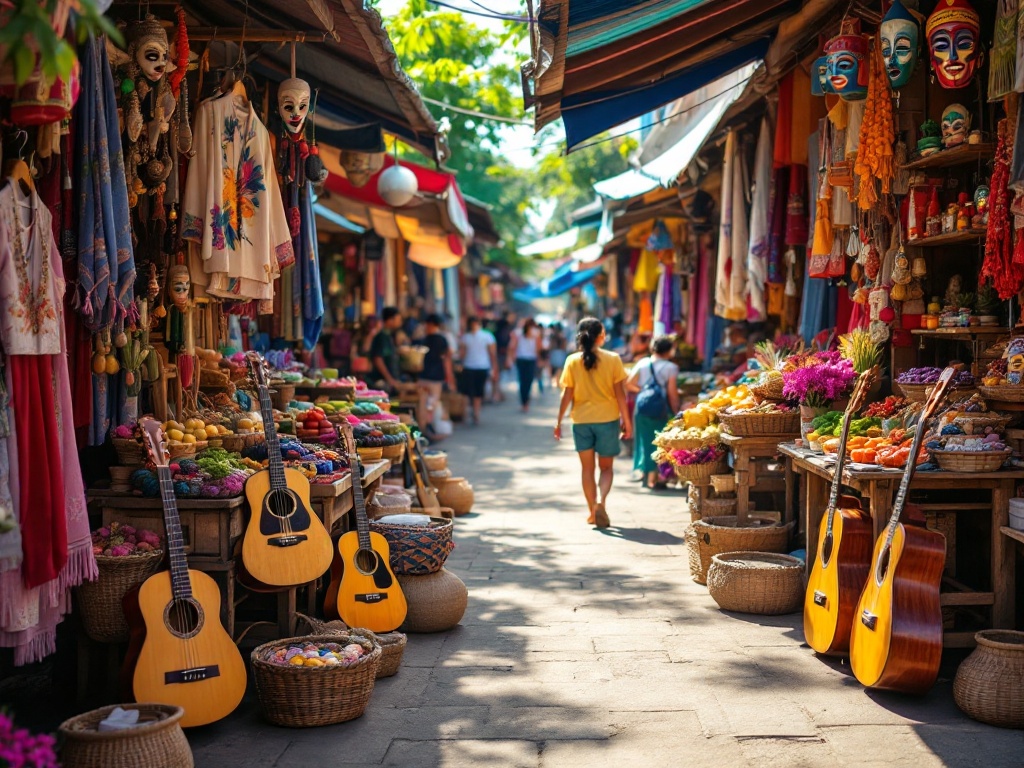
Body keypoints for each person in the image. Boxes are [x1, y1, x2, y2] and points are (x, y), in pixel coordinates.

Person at [554, 317, 632, 528]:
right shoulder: (613, 359)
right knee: (606, 469)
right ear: (601, 336)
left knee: (587, 469)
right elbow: (620, 395)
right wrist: (627, 420)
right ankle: (601, 502)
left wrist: (559, 421)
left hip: (581, 421)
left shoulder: (572, 361)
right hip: (607, 420)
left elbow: (566, 395)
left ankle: (591, 511)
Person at [625, 335, 681, 489]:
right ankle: (653, 479)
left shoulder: (643, 363)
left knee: (643, 441)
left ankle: (644, 473)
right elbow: (672, 392)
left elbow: (629, 384)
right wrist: (677, 410)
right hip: (659, 408)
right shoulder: (671, 367)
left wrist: (643, 390)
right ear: (669, 350)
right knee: (658, 442)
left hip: (641, 407)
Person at [418, 314, 456, 431]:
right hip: (435, 378)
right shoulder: (442, 340)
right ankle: (428, 427)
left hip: (424, 377)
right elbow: (447, 361)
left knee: (424, 404)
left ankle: (425, 428)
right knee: (431, 404)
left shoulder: (423, 340)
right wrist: (450, 378)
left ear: (431, 324)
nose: (425, 327)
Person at [459, 316, 498, 425]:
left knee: (474, 392)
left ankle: (473, 413)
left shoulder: (483, 336)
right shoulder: (483, 336)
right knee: (475, 392)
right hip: (475, 366)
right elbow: (492, 354)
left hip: (476, 366)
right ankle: (473, 413)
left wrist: (494, 368)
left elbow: (492, 354)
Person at [508, 318, 542, 412]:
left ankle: (525, 401)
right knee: (526, 381)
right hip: (525, 359)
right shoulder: (520, 333)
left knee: (524, 381)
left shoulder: (533, 333)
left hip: (526, 359)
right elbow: (539, 348)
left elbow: (512, 346)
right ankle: (525, 401)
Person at [370, 306, 403, 391]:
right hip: (382, 383)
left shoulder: (390, 336)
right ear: (390, 320)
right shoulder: (381, 337)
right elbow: (378, 359)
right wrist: (389, 379)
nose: (400, 322)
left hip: (391, 382)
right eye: (397, 319)